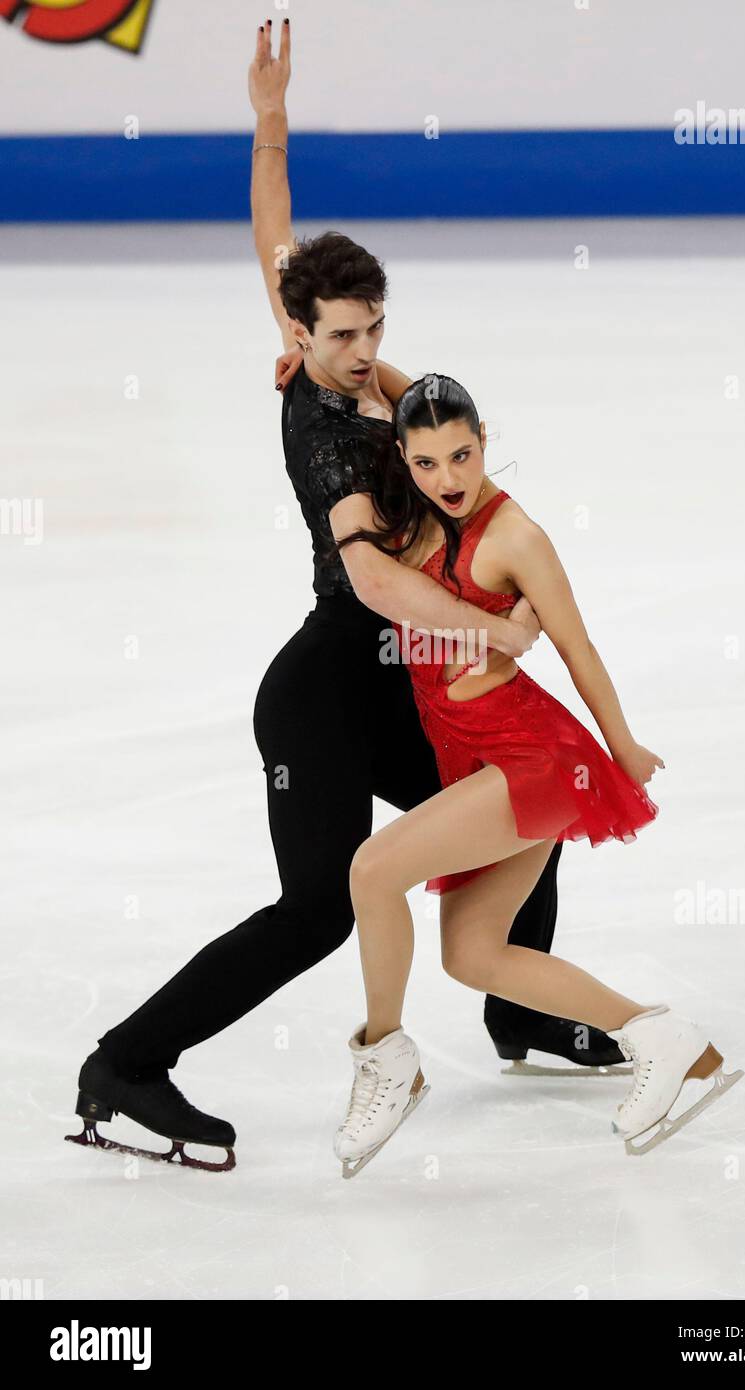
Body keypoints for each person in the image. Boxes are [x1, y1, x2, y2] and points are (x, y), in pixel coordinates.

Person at [65, 19, 622, 1175]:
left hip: (393, 682)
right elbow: (369, 576)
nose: (362, 353)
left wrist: (269, 119)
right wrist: (495, 626)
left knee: (525, 794)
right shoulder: (318, 424)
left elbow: (276, 239)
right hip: (324, 689)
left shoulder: (348, 354)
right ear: (300, 341)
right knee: (320, 904)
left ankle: (514, 1008)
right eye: (341, 337)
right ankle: (125, 1064)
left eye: (372, 330)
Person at [331, 375, 743, 1176]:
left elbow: (577, 646)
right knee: (474, 955)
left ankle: (385, 1056)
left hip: (535, 759)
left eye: (463, 454)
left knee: (372, 873)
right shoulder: (413, 511)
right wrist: (321, 355)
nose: (448, 478)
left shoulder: (515, 536)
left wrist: (621, 744)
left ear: (486, 437)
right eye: (426, 462)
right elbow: (389, 390)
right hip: (480, 760)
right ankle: (666, 1038)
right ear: (404, 459)